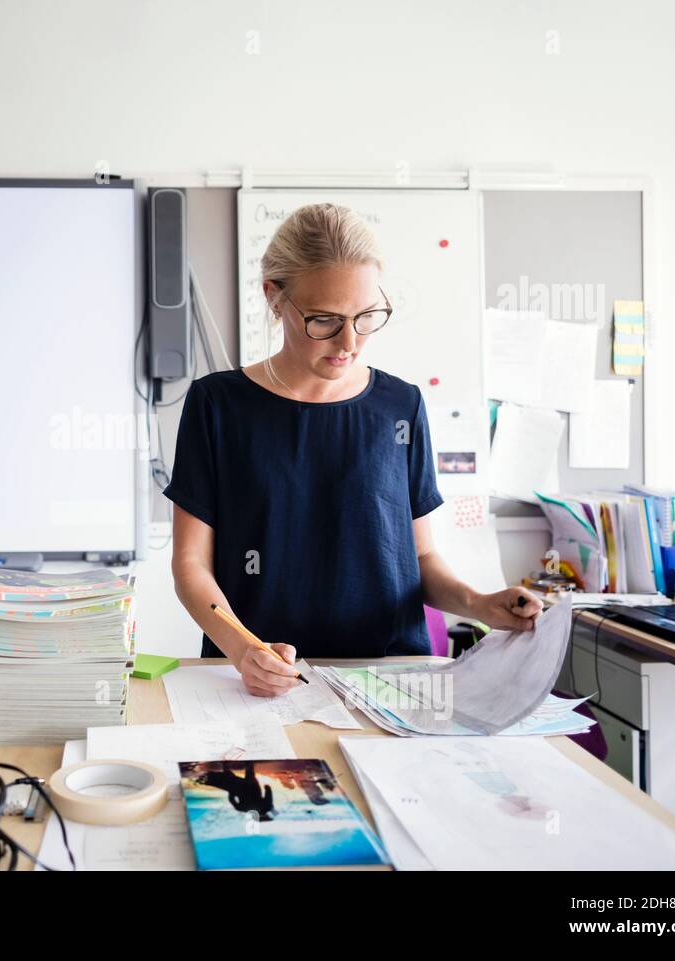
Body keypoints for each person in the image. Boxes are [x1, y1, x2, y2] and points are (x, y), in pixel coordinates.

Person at [165, 203, 541, 696]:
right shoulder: (217, 405)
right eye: (324, 320)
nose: (349, 342)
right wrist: (243, 649)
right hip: (256, 684)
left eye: (366, 317)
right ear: (275, 299)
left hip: (391, 679)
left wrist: (480, 603)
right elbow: (191, 563)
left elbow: (420, 557)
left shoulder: (400, 404)